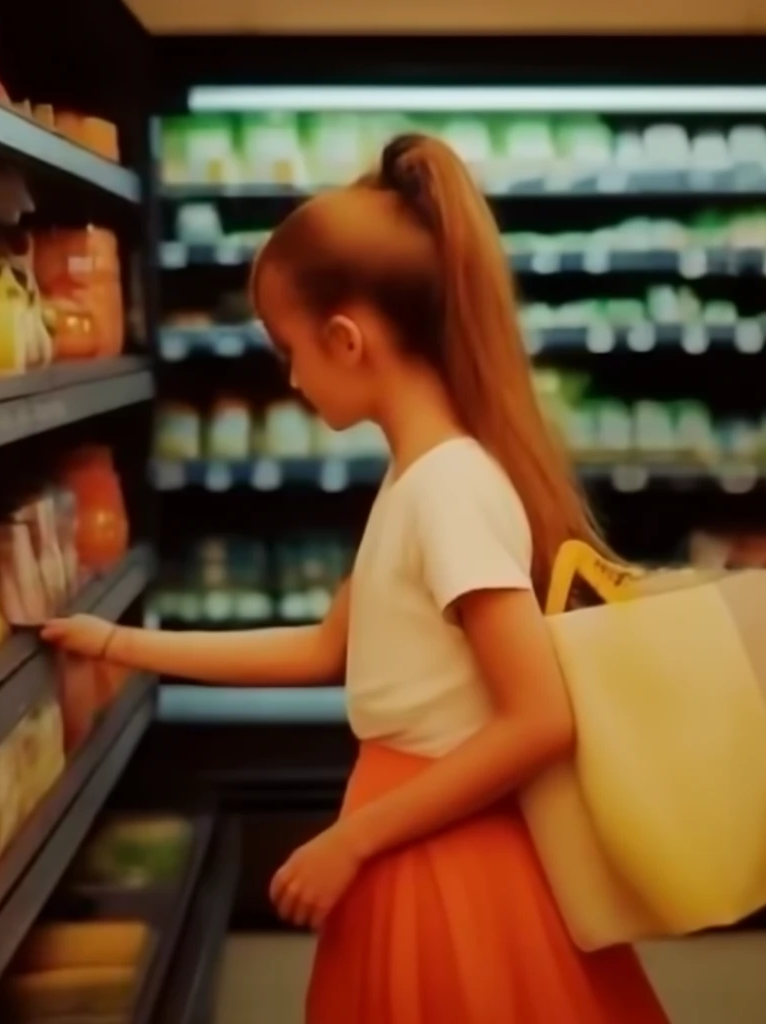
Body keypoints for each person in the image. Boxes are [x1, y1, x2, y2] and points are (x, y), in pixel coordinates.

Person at [42, 133, 670, 1023]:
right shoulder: (421, 476)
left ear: (346, 338)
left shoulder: (447, 488)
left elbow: (539, 719)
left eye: (288, 348)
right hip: (424, 840)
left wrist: (354, 840)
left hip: (443, 861)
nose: (291, 379)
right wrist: (118, 643)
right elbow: (325, 647)